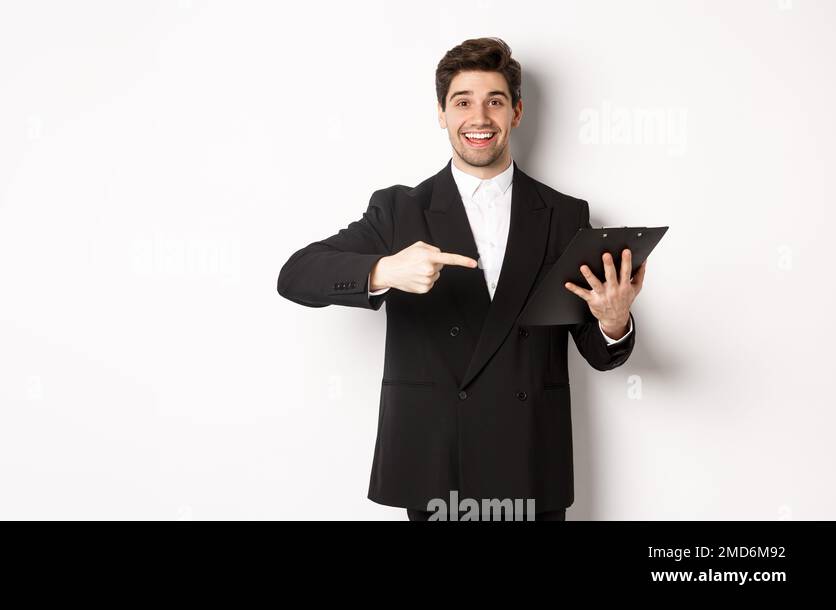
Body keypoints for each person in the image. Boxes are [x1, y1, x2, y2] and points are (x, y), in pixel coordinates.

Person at [276, 38, 647, 522]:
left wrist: (614, 322)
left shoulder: (564, 214)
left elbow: (599, 353)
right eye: (462, 102)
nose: (479, 117)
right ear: (441, 113)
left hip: (530, 462)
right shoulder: (399, 210)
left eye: (494, 101)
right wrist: (384, 270)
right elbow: (295, 274)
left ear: (516, 112)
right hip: (437, 467)